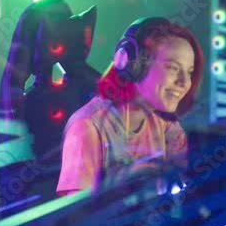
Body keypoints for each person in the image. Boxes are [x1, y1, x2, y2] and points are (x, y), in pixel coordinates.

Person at [57, 18, 203, 194]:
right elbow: (75, 217)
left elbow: (189, 195)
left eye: (189, 72)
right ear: (133, 64)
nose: (184, 82)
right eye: (172, 68)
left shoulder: (168, 128)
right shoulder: (87, 128)